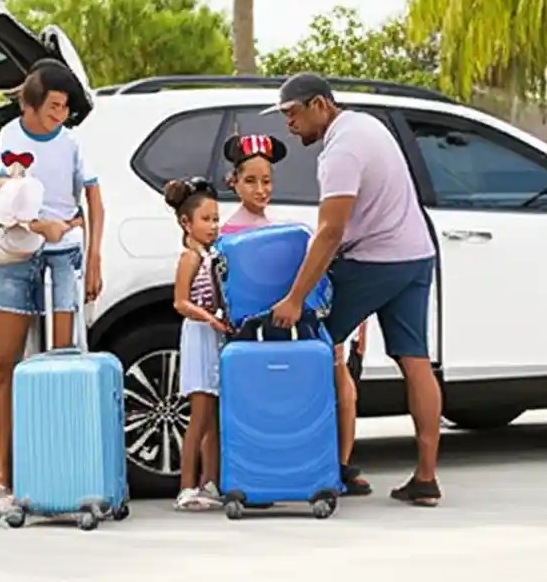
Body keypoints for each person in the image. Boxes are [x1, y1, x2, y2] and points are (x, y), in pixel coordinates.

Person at [267, 72, 443, 507]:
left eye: (293, 113)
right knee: (415, 360)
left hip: (376, 260)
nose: (288, 124)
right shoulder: (367, 125)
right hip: (415, 254)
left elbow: (330, 232)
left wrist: (294, 298)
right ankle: (425, 478)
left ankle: (322, 467)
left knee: (312, 341)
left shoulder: (340, 151)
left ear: (320, 105)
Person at [0, 59, 105, 509]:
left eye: (66, 106)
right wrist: (39, 224)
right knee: (3, 366)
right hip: (16, 254)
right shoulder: (9, 136)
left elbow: (94, 201)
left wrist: (94, 254)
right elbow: (2, 196)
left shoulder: (72, 143)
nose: (60, 114)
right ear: (30, 102)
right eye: (54, 105)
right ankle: (2, 476)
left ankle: (59, 470)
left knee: (61, 364)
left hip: (64, 257)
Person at [218, 132, 372, 497]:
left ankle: (339, 466)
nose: (260, 190)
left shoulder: (283, 230)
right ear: (233, 182)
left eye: (267, 181)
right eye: (251, 181)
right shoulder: (229, 234)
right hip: (258, 336)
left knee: (344, 389)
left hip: (299, 328)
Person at [165, 176, 227, 511]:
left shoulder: (210, 254)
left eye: (216, 219)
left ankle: (211, 482)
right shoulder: (189, 258)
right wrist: (210, 318)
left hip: (213, 331)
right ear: (186, 222)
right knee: (199, 415)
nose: (213, 226)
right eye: (206, 219)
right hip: (199, 334)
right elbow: (180, 302)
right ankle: (187, 485)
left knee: (213, 415)